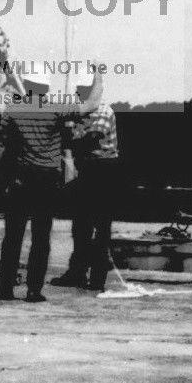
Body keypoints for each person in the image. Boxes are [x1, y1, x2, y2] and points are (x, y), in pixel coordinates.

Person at [0, 67, 104, 304]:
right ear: (46, 88)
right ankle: (33, 290)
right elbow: (92, 104)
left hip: (20, 179)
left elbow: (2, 148)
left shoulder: (13, 109)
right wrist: (98, 75)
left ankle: (5, 288)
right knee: (41, 237)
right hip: (46, 180)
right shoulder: (55, 108)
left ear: (26, 85)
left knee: (12, 236)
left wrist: (0, 177)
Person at [50, 72, 121, 291]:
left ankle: (97, 278)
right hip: (87, 170)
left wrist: (66, 137)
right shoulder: (80, 111)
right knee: (80, 225)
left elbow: (91, 139)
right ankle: (77, 272)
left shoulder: (102, 110)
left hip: (103, 171)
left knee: (100, 227)